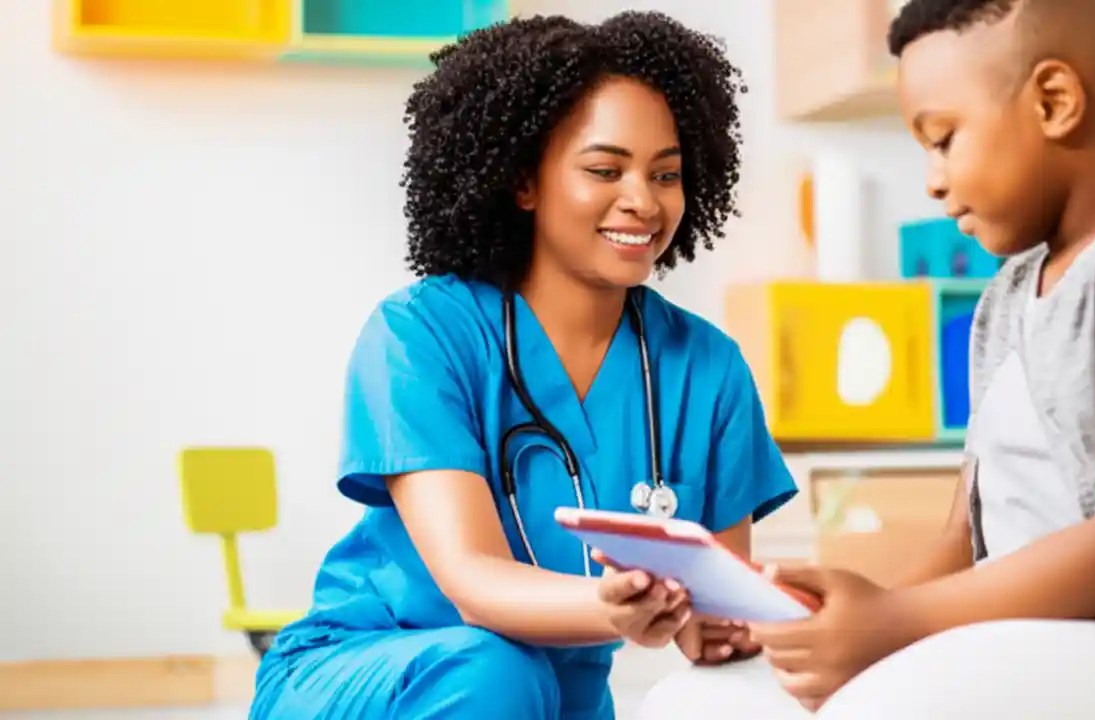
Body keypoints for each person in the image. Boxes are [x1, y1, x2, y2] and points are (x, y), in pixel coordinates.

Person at [638, 0, 1095, 718]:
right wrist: (838, 621)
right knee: (694, 702)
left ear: (1055, 102)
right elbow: (964, 537)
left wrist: (893, 623)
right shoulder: (1007, 296)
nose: (933, 180)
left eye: (943, 140)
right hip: (1025, 639)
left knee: (881, 708)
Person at [247, 11, 798, 720]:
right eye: (605, 170)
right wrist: (610, 607)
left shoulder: (709, 370)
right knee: (494, 671)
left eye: (666, 174)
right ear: (523, 181)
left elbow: (715, 609)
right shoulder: (421, 335)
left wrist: (723, 626)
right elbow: (473, 581)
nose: (643, 200)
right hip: (370, 671)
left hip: (554, 697)